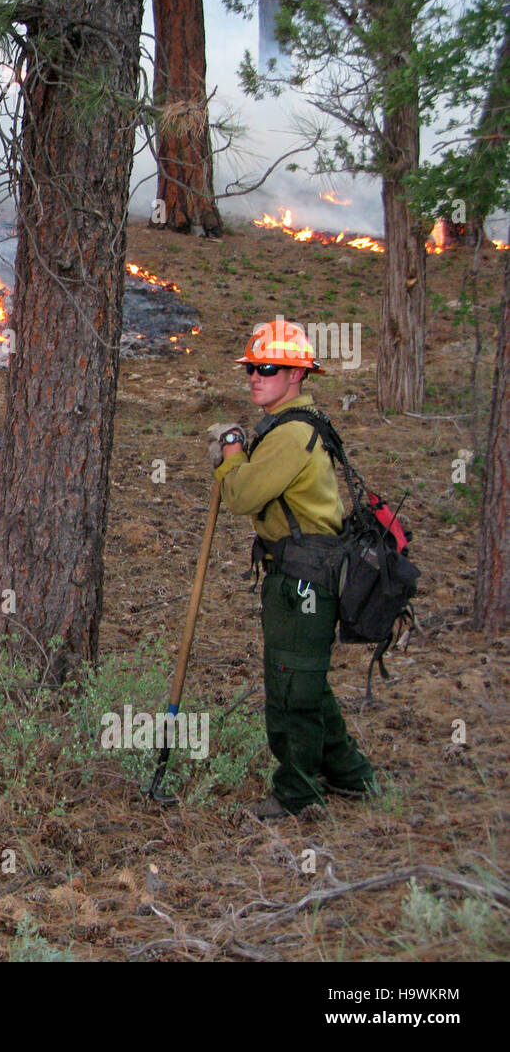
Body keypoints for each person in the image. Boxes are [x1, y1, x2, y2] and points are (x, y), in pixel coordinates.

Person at [206, 319, 377, 820]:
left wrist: (230, 456)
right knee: (306, 680)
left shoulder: (292, 432)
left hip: (304, 578)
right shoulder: (292, 424)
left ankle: (298, 794)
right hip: (301, 572)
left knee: (291, 688)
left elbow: (241, 495)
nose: (255, 377)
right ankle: (351, 775)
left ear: (296, 375)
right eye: (252, 368)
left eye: (268, 368)